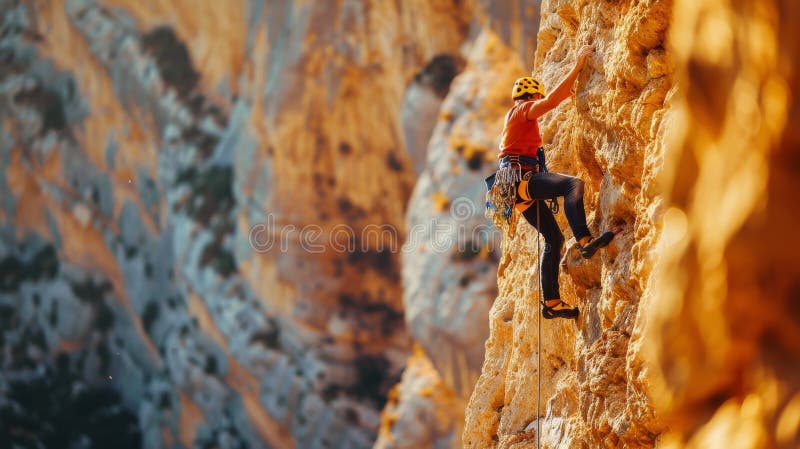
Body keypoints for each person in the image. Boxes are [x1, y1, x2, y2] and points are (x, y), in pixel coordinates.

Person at [496, 44, 615, 319]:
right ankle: (585, 239)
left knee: (553, 238)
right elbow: (548, 103)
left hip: (514, 188)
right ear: (530, 95)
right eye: (536, 96)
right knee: (572, 185)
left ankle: (551, 302)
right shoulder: (522, 110)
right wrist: (576, 67)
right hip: (519, 181)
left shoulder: (517, 122)